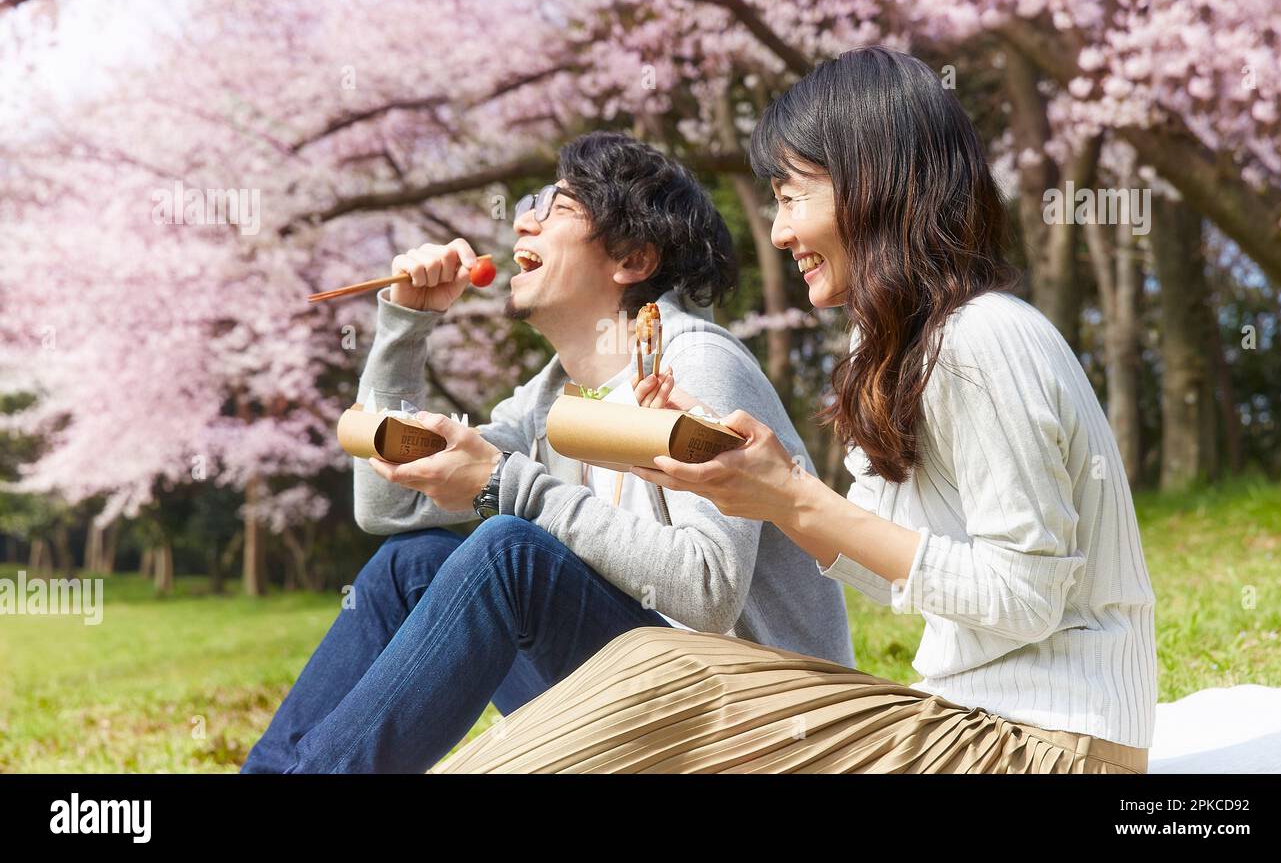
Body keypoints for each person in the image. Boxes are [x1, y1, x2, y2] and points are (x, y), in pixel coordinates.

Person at [434, 47, 1159, 774]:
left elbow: (1024, 598)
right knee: (655, 662)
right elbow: (894, 574)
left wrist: (793, 498)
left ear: (869, 184)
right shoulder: (904, 350)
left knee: (662, 664)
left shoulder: (983, 338)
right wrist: (764, 486)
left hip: (1045, 746)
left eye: (790, 197)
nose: (779, 234)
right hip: (964, 720)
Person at [241, 131, 854, 774]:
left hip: (756, 733)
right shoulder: (550, 396)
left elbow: (709, 589)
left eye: (559, 209)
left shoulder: (694, 361)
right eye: (535, 202)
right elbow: (387, 506)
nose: (525, 220)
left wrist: (511, 485)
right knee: (410, 563)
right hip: (644, 709)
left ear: (633, 259)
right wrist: (405, 330)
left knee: (509, 551)